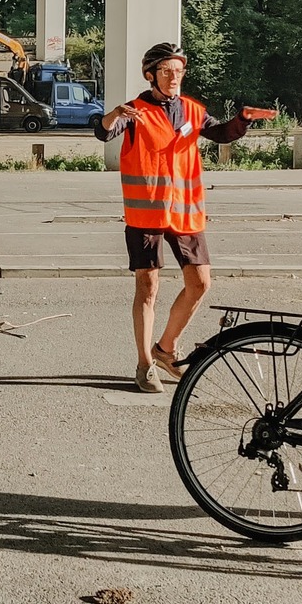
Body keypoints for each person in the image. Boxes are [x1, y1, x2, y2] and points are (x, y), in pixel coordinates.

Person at [96, 42, 266, 393]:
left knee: (201, 283)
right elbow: (102, 131)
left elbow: (219, 133)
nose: (174, 77)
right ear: (151, 75)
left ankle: (166, 348)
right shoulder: (135, 111)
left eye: (178, 70)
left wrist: (242, 121)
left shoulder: (192, 109)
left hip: (184, 212)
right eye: (166, 71)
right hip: (146, 213)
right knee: (148, 287)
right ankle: (145, 364)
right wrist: (115, 113)